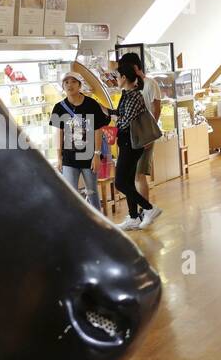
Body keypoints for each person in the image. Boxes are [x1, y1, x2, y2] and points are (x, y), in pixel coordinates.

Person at [109, 57, 161, 231]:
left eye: (117, 76)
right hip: (126, 142)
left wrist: (114, 119)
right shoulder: (127, 95)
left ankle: (149, 208)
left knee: (120, 183)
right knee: (129, 181)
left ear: (124, 77)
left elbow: (124, 121)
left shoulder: (134, 96)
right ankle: (133, 217)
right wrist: (107, 111)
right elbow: (120, 115)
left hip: (131, 143)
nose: (116, 79)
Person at [50, 72, 110, 212]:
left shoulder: (91, 104)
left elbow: (98, 129)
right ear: (63, 86)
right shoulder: (59, 107)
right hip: (69, 158)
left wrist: (97, 154)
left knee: (92, 192)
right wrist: (59, 157)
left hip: (89, 156)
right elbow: (59, 133)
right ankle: (75, 225)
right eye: (66, 82)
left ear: (79, 85)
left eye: (73, 82)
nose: (69, 85)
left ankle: (98, 224)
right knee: (71, 194)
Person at [120, 52, 162, 206]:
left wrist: (149, 136)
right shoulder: (129, 87)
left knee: (139, 174)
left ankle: (146, 209)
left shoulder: (150, 84)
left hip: (144, 135)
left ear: (135, 67)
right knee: (132, 175)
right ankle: (137, 212)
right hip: (131, 137)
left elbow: (156, 108)